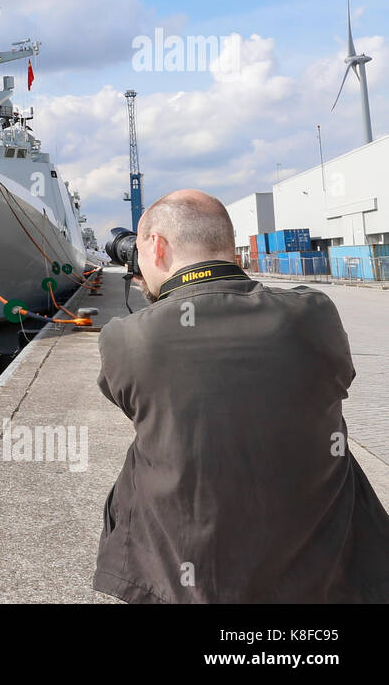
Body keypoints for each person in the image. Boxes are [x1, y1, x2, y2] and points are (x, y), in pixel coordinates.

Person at [93, 189, 389, 603]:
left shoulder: (125, 337)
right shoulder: (314, 312)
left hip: (185, 568)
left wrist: (160, 298)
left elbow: (151, 402)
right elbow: (337, 378)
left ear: (156, 247)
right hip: (327, 563)